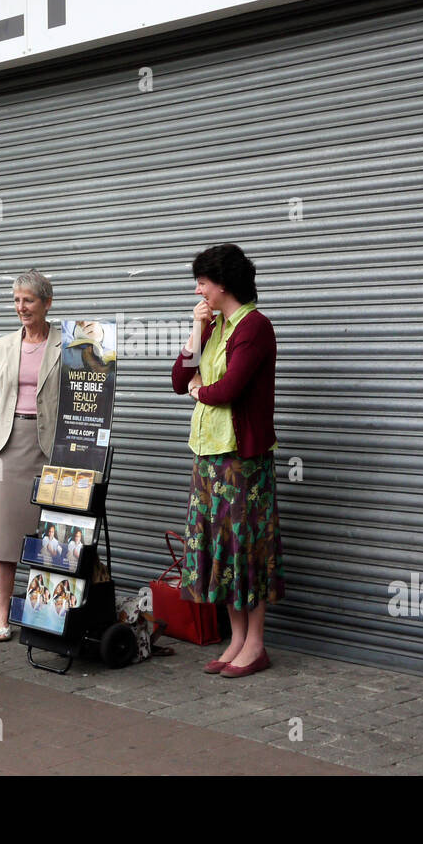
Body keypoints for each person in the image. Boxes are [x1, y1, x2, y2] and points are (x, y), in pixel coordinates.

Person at [170, 243, 284, 678]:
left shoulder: (254, 327)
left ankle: (256, 644)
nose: (198, 290)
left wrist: (202, 389)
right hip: (208, 455)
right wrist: (196, 332)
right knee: (222, 549)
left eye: (202, 283)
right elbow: (179, 379)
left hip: (242, 458)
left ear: (223, 284)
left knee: (246, 549)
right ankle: (235, 639)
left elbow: (226, 390)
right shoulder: (215, 324)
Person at [0, 270, 61, 641]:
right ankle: (3, 614)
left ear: (47, 303)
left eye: (29, 300)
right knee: (2, 534)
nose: (21, 307)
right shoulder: (4, 344)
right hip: (5, 445)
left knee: (50, 533)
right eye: (17, 300)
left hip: (49, 446)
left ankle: (48, 612)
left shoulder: (68, 343)